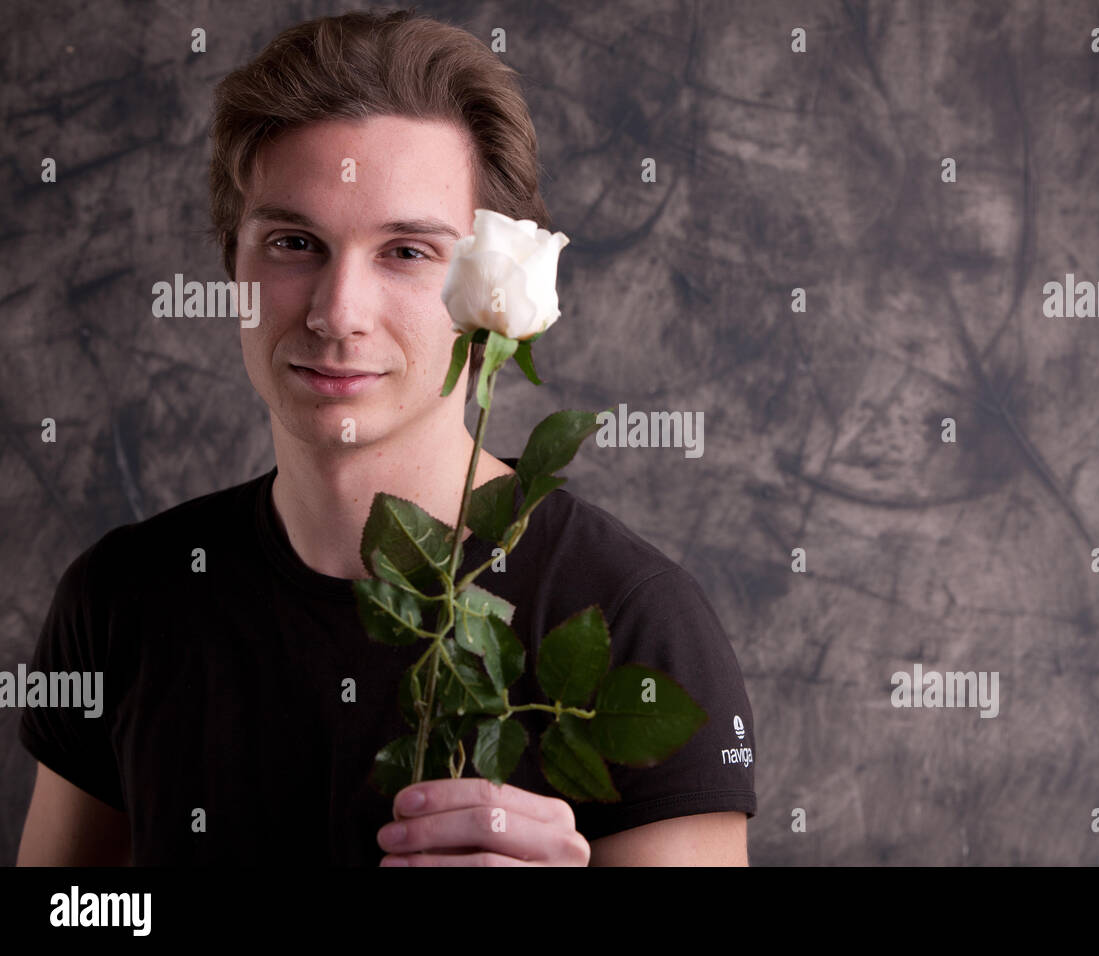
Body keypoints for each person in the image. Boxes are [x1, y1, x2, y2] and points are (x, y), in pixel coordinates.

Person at [16, 9, 755, 866]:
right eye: (294, 242)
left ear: (487, 287)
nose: (336, 313)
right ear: (234, 261)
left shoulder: (637, 623)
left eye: (406, 251)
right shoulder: (120, 600)